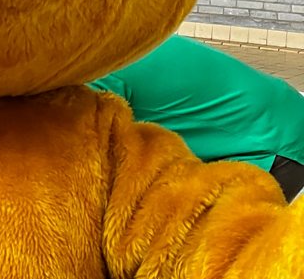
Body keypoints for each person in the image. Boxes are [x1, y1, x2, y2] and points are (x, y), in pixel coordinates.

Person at [90, 35, 304, 201]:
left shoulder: (95, 70)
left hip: (269, 140)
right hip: (277, 115)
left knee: (220, 238)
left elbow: (94, 163)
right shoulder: (121, 40)